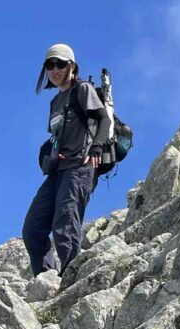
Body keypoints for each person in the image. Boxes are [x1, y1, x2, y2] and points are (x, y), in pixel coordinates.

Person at [21, 43, 114, 277]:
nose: (55, 69)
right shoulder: (54, 103)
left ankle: (71, 280)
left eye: (60, 64)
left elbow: (103, 120)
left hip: (80, 167)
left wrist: (96, 148)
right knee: (32, 229)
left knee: (64, 224)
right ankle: (47, 279)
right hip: (58, 171)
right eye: (50, 65)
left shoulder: (82, 89)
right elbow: (56, 136)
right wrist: (50, 155)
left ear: (72, 66)